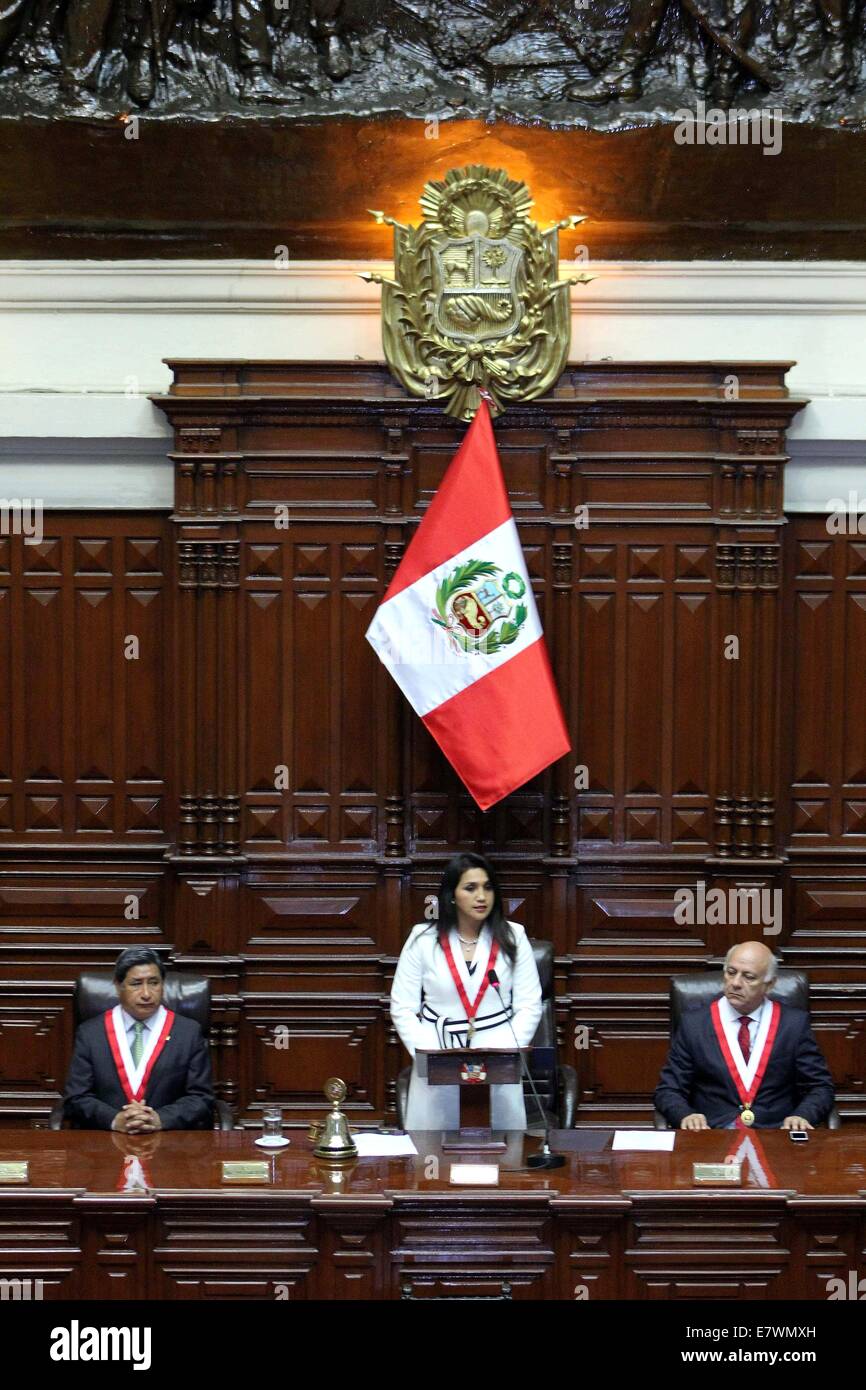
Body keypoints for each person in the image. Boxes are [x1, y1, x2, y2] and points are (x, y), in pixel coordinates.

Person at [390, 852, 542, 1130]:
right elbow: (402, 1007)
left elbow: (530, 1006)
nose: (481, 896)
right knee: (433, 1161)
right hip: (438, 1052)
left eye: (487, 887)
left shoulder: (514, 936)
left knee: (501, 1158)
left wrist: (504, 1056)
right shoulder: (422, 939)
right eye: (470, 888)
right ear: (451, 895)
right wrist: (430, 1056)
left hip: (497, 1056)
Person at [654, 941, 834, 1131]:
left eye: (748, 977)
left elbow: (820, 1087)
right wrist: (686, 1115)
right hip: (712, 1134)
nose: (736, 983)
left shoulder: (793, 1025)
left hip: (774, 1134)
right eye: (731, 972)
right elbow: (668, 1090)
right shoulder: (694, 1024)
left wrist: (802, 1116)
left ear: (769, 984)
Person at [63, 947, 214, 1131]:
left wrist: (161, 1119)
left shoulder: (188, 1033)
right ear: (118, 986)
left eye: (154, 983)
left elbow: (201, 1098)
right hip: (105, 1143)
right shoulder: (90, 1034)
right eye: (136, 983)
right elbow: (76, 1098)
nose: (146, 994)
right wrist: (114, 1120)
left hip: (169, 1142)